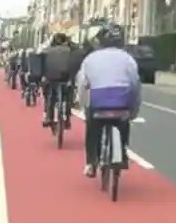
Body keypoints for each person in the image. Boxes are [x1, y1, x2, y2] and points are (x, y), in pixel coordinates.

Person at [76, 23, 142, 178]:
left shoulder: (90, 59)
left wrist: (84, 104)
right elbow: (135, 84)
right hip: (122, 101)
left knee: (92, 129)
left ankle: (91, 163)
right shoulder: (128, 59)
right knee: (123, 123)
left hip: (98, 103)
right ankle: (123, 153)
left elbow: (82, 84)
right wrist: (134, 108)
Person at [40, 33, 74, 128]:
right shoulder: (69, 50)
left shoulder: (47, 50)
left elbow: (39, 54)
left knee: (50, 96)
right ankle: (67, 118)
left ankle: (49, 117)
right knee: (68, 95)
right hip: (66, 78)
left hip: (52, 78)